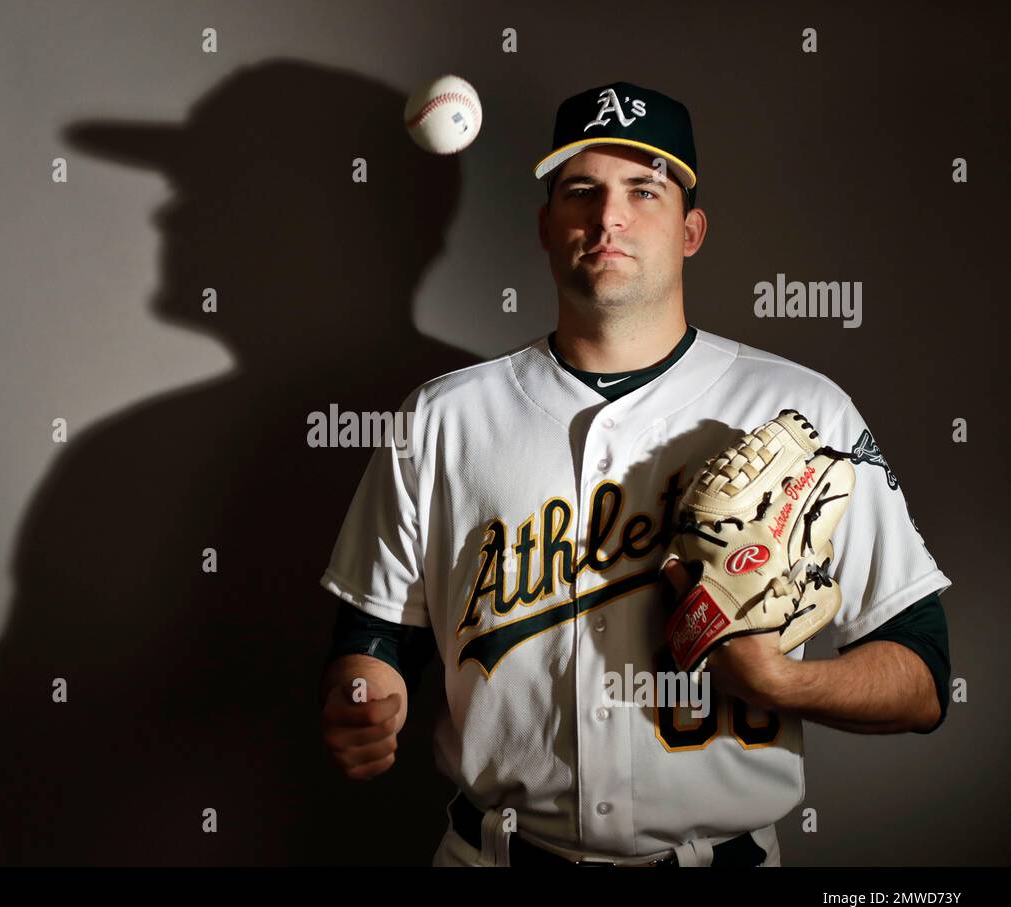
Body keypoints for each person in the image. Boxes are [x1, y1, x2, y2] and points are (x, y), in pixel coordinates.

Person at [317, 81, 952, 867]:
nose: (607, 215)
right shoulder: (442, 417)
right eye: (581, 190)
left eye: (643, 190)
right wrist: (366, 688)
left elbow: (924, 675)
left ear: (691, 230)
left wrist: (788, 684)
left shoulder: (800, 407)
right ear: (546, 226)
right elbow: (378, 633)